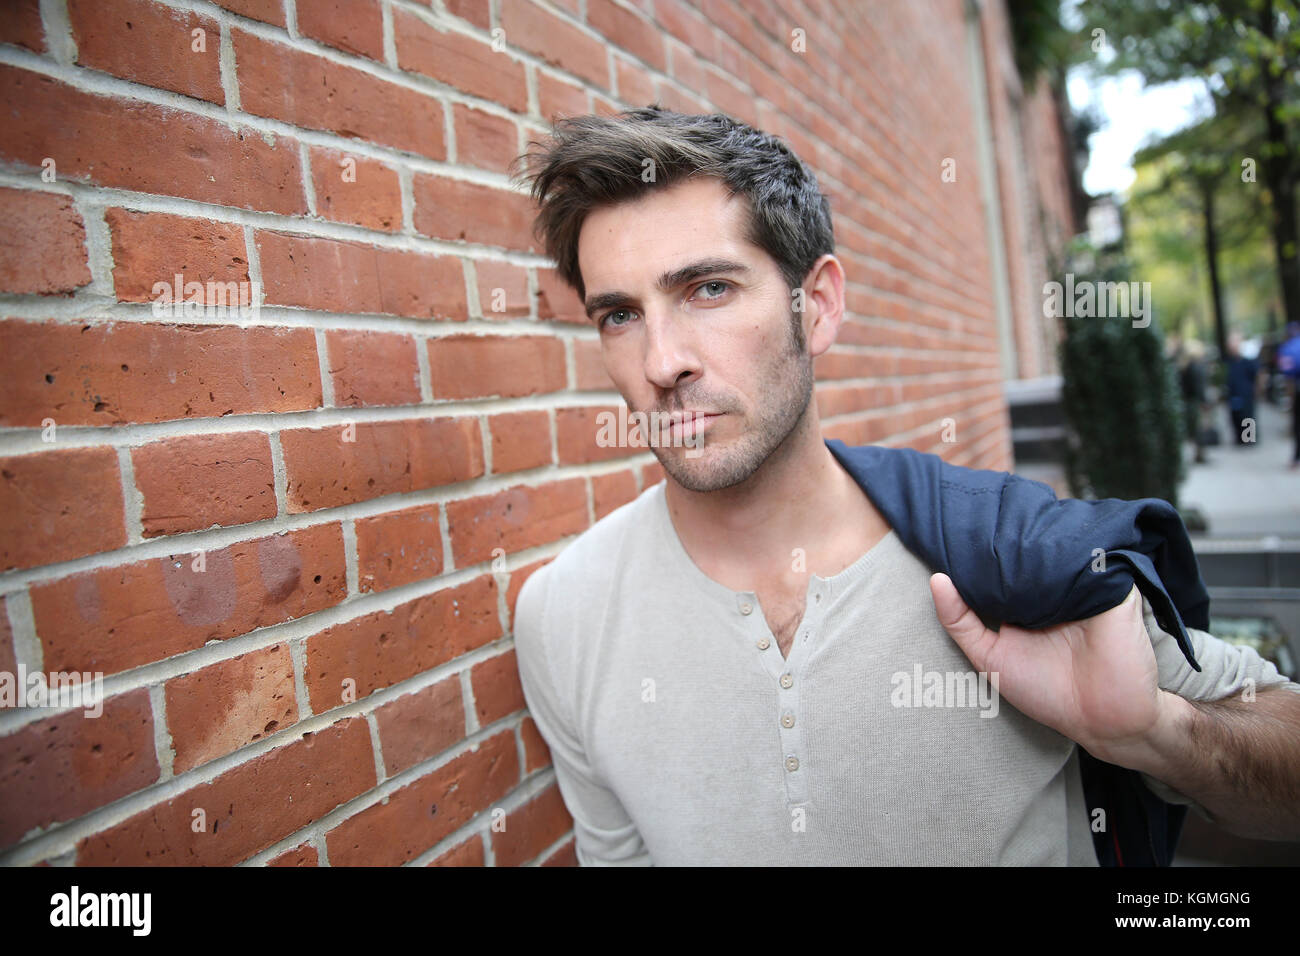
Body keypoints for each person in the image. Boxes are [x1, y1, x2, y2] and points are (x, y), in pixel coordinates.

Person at [510, 106, 1300, 865]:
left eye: (708, 290)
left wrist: (1156, 733)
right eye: (619, 315)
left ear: (816, 305)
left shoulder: (1011, 558)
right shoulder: (566, 615)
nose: (661, 362)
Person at [1223, 332, 1261, 445]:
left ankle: (1249, 439)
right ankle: (1240, 438)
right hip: (1234, 395)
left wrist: (1257, 391)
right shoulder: (1229, 361)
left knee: (1248, 416)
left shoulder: (1248, 360)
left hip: (1246, 394)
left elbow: (1257, 375)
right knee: (1236, 417)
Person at [1179, 338, 1210, 463]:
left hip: (1187, 401)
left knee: (1192, 430)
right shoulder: (1196, 367)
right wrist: (1204, 402)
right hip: (1195, 402)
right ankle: (1200, 454)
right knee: (1199, 429)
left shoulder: (1183, 366)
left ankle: (1197, 454)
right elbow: (1199, 387)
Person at [1278, 322, 1300, 469]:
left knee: (1298, 424)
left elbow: (1288, 378)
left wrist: (1290, 399)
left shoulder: (1286, 349)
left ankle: (1296, 459)